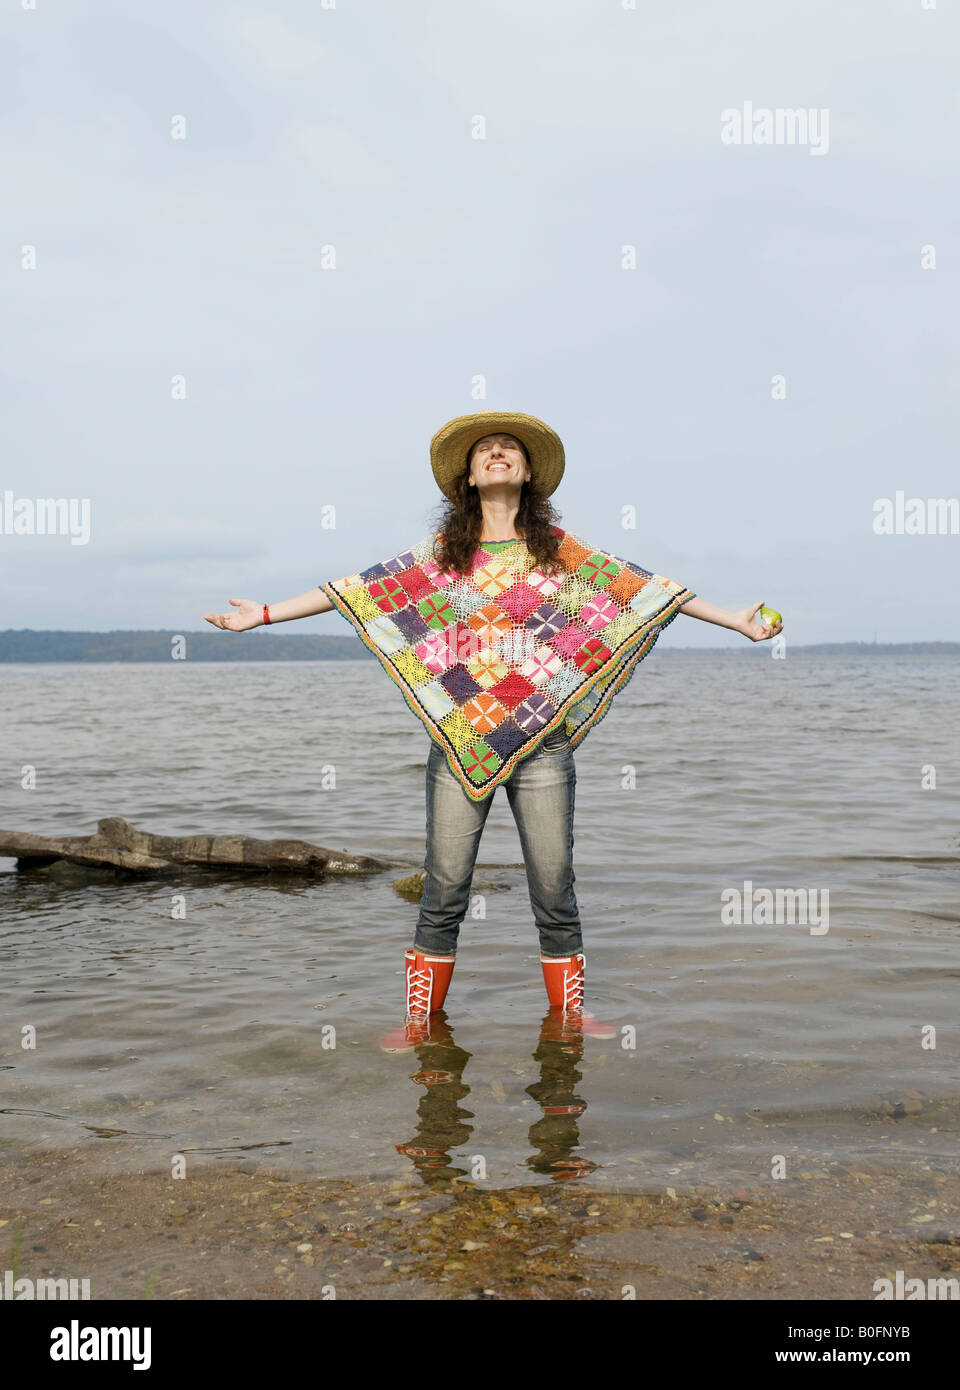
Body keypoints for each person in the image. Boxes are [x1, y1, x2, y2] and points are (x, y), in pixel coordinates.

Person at [204, 411, 783, 1052]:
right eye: (485, 450)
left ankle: (569, 1021)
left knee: (554, 885)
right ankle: (420, 1024)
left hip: (544, 741)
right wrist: (263, 615)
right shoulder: (438, 559)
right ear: (469, 478)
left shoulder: (561, 555)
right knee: (445, 884)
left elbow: (649, 591)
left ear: (529, 473)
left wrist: (734, 620)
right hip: (461, 738)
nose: (498, 453)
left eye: (510, 448)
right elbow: (353, 592)